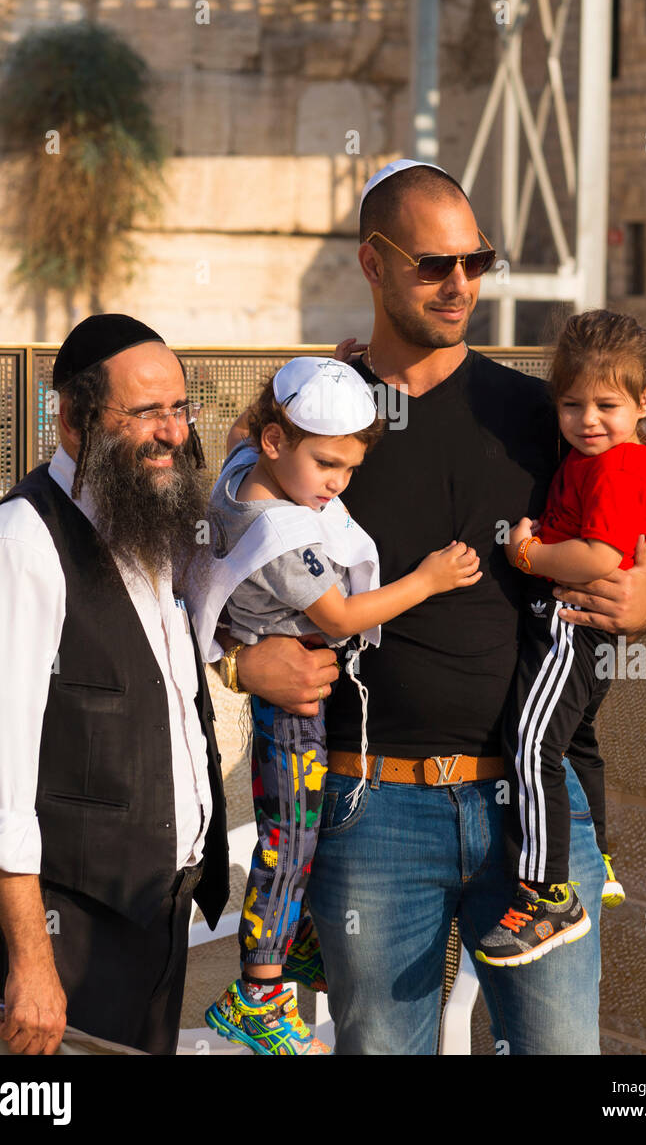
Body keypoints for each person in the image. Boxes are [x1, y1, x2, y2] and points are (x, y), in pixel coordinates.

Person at [223, 159, 646, 1055]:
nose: (459, 283)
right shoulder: (320, 424)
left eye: (475, 261)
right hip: (367, 812)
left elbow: (637, 544)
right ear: (371, 263)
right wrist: (237, 664)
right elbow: (218, 571)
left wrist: (643, 597)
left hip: (531, 813)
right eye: (432, 263)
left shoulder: (540, 414)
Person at [0, 314, 229, 1056]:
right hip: (63, 942)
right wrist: (32, 964)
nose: (174, 433)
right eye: (146, 412)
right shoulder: (18, 547)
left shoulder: (144, 521)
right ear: (72, 419)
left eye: (180, 407)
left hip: (153, 923)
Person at [187, 356, 481, 1054]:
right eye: (325, 464)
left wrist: (332, 369)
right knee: (290, 839)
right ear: (277, 440)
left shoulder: (242, 467)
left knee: (301, 828)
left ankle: (292, 942)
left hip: (279, 693)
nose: (337, 484)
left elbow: (239, 425)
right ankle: (257, 996)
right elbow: (343, 616)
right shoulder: (281, 536)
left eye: (349, 468)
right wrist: (429, 580)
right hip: (293, 705)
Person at [476, 309, 646, 969]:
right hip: (592, 639)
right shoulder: (639, 460)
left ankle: (545, 893)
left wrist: (527, 554)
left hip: (568, 627)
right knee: (576, 741)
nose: (587, 420)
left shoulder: (610, 469)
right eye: (571, 405)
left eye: (605, 405)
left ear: (644, 401)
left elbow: (596, 557)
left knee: (531, 742)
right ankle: (600, 856)